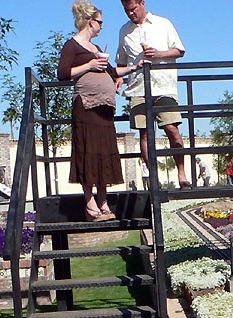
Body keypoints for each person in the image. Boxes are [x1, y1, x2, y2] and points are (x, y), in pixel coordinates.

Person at [57, 1, 144, 221]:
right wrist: (89, 66)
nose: (102, 27)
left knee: (104, 154)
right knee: (88, 153)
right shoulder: (72, 45)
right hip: (86, 107)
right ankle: (90, 203)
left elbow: (115, 72)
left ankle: (103, 201)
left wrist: (134, 67)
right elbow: (63, 73)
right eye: (100, 22)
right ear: (89, 21)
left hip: (105, 110)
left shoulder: (96, 49)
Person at [116, 0, 191, 190]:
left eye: (133, 9)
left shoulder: (163, 23)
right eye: (126, 11)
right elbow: (121, 62)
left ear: (142, 3)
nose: (130, 14)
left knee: (172, 129)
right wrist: (117, 77)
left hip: (164, 86)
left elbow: (179, 50)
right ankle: (154, 178)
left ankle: (182, 174)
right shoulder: (124, 31)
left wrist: (159, 54)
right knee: (145, 134)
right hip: (138, 88)